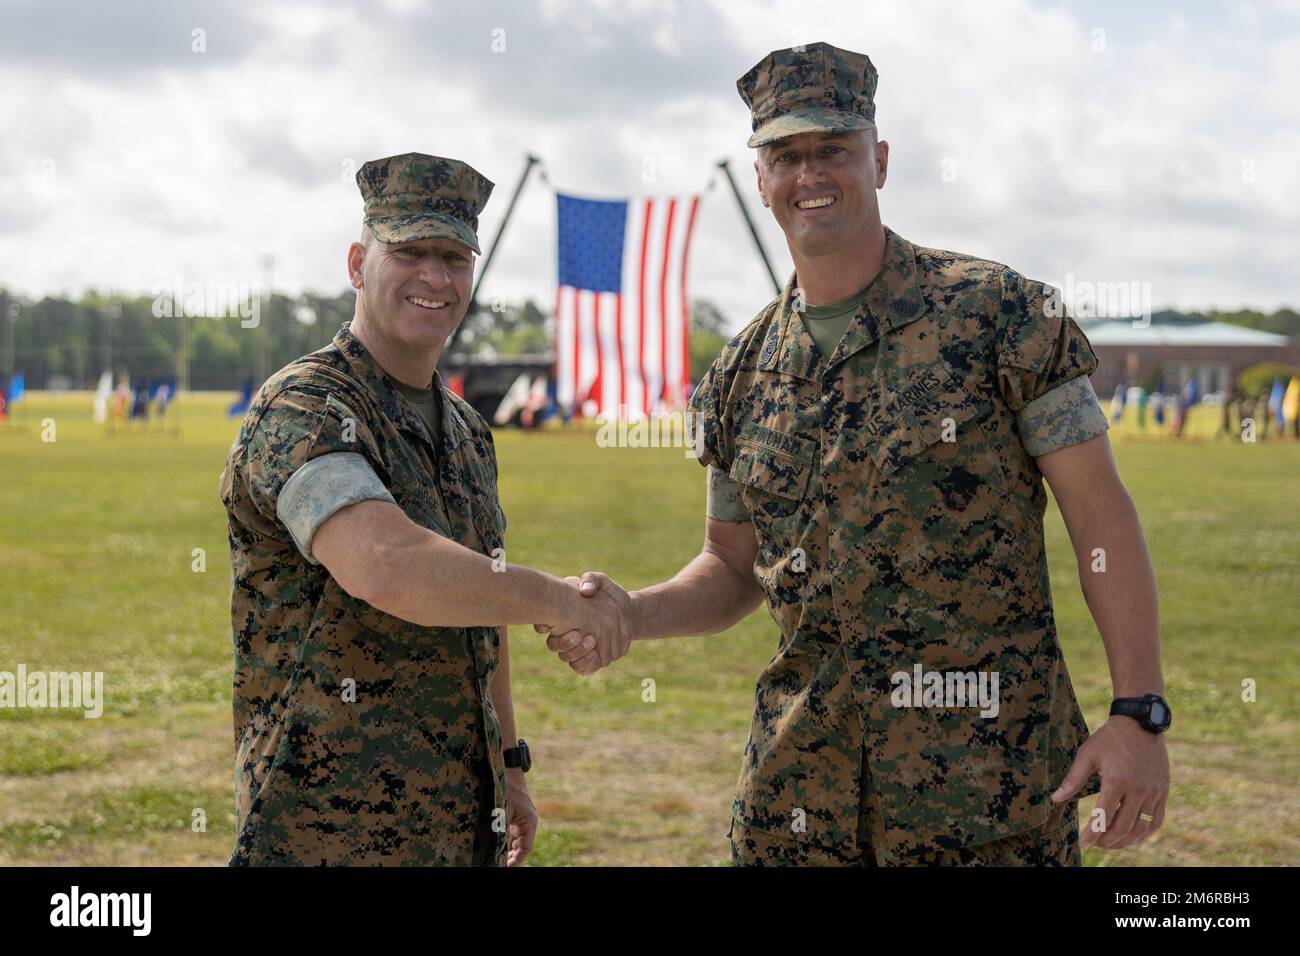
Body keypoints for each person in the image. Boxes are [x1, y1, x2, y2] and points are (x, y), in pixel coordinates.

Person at [542, 43, 1170, 866]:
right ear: (761, 178)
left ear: (878, 159)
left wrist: (1138, 712)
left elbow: (1100, 515)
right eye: (786, 155)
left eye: (832, 149)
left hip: (985, 801)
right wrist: (631, 612)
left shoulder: (1002, 317)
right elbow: (731, 567)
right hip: (800, 802)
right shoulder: (739, 372)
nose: (811, 174)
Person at [220, 152, 628, 866]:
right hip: (321, 829)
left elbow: (481, 601)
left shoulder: (466, 429)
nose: (435, 277)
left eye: (454, 256)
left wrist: (511, 767)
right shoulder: (306, 406)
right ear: (357, 262)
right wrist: (557, 599)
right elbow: (387, 565)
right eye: (409, 251)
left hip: (457, 820)